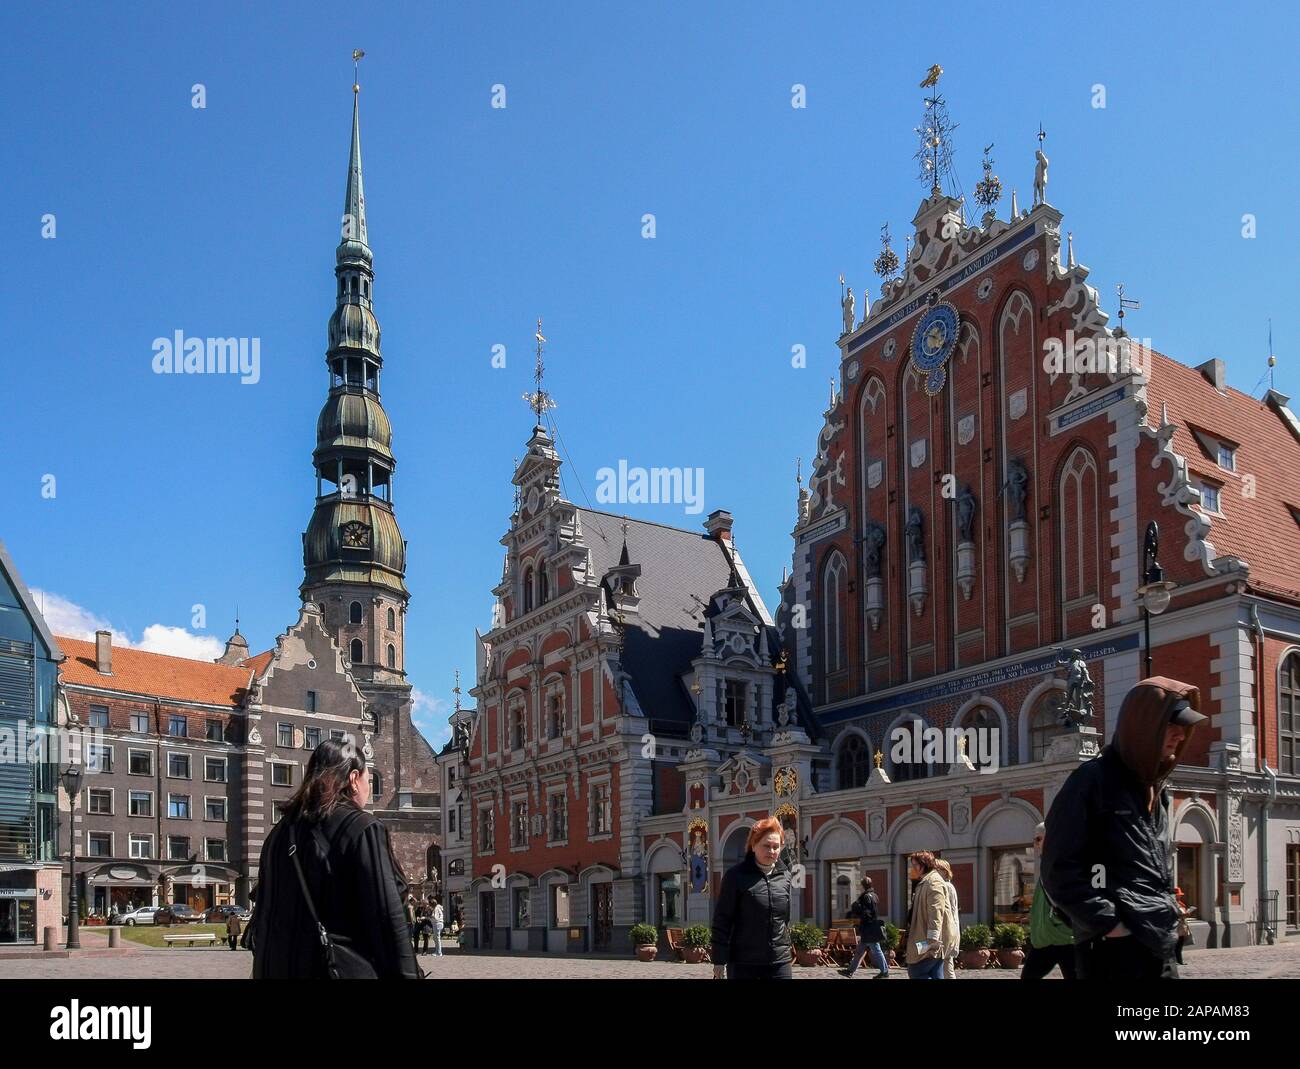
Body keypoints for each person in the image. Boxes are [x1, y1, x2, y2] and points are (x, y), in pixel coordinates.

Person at [1041, 677, 1206, 981]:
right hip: (1112, 951)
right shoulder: (1091, 781)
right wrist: (1110, 924)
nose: (1180, 735)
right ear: (1145, 726)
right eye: (1172, 725)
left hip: (1159, 944)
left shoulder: (1155, 789)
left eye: (1184, 727)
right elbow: (1058, 870)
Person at [250, 738, 419, 978]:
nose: (368, 788)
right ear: (353, 779)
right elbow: (387, 919)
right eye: (367, 780)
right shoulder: (361, 828)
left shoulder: (278, 835)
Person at [711, 816, 794, 980]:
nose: (771, 851)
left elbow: (785, 919)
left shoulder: (785, 876)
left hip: (779, 961)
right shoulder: (735, 876)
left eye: (776, 847)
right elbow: (722, 919)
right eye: (766, 846)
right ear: (753, 846)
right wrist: (719, 960)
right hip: (744, 962)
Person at [1022, 823, 1076, 979]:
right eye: (1035, 839)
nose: (1035, 844)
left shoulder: (1062, 861)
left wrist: (1056, 920)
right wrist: (1035, 917)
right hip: (1045, 940)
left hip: (1064, 938)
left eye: (1039, 839)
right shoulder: (1047, 862)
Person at [903, 851, 957, 979]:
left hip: (932, 939)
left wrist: (932, 939)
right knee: (934, 972)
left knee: (916, 971)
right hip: (929, 937)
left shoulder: (933, 882)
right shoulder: (926, 881)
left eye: (915, 864)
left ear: (923, 865)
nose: (913, 868)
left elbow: (936, 911)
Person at [840, 876, 889, 978]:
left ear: (863, 886)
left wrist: (858, 911)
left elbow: (868, 913)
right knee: (860, 951)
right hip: (869, 927)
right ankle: (850, 971)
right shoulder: (874, 895)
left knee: (876, 950)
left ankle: (884, 972)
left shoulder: (866, 896)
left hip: (869, 928)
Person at [933, 858, 960, 979]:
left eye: (936, 869)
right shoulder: (945, 885)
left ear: (944, 871)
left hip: (947, 931)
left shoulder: (947, 886)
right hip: (946, 930)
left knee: (947, 966)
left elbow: (948, 912)